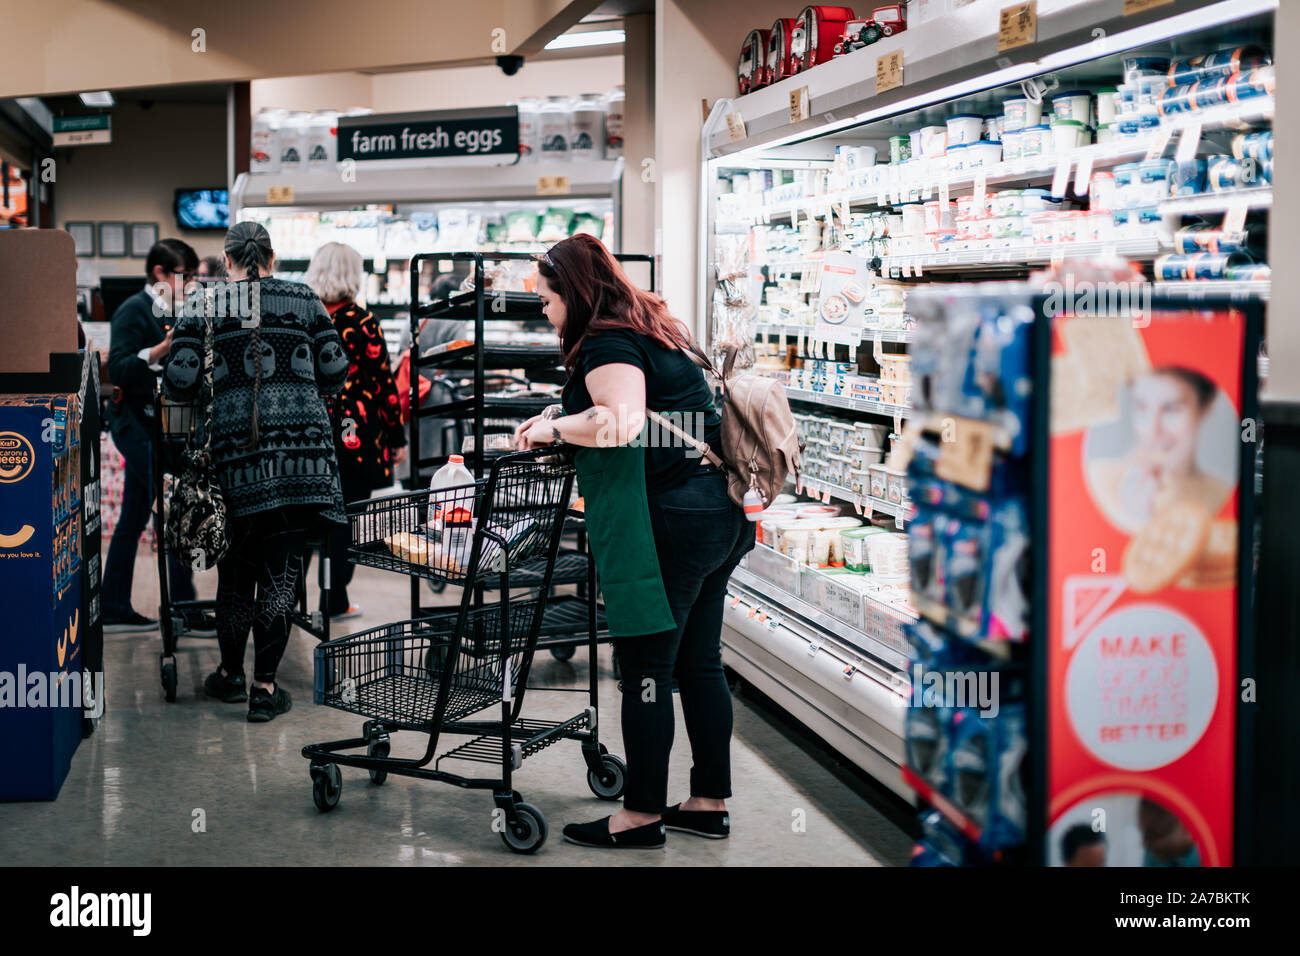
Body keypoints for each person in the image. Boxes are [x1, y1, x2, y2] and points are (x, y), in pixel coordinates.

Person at [515, 234, 754, 850]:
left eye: (545, 298)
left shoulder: (607, 339)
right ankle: (707, 802)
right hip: (718, 509)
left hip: (675, 518)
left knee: (646, 669)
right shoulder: (651, 324)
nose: (543, 310)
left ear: (570, 290)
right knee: (698, 662)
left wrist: (549, 429)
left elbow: (618, 422)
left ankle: (641, 814)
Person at [163, 222, 348, 722]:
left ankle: (230, 677)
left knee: (236, 571)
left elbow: (178, 381)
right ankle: (266, 688)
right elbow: (335, 371)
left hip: (233, 457)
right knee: (280, 570)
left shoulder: (205, 303)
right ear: (273, 257)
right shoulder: (304, 298)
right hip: (301, 460)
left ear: (227, 260)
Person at [102, 239, 205, 633]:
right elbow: (122, 368)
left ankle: (114, 604)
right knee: (177, 506)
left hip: (167, 424)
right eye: (186, 276)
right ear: (160, 273)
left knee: (134, 517)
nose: (191, 283)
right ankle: (184, 606)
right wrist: (161, 349)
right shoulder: (132, 310)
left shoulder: (177, 308)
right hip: (136, 425)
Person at [303, 241, 407, 619]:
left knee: (303, 520)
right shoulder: (362, 321)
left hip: (306, 433)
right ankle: (332, 601)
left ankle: (292, 603)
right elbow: (383, 385)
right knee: (344, 520)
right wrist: (397, 438)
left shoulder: (303, 317)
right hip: (353, 436)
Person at [1087, 366, 1232, 534]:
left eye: (1171, 409)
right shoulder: (1101, 477)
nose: (1152, 429)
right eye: (1141, 407)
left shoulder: (1220, 493)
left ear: (1205, 407)